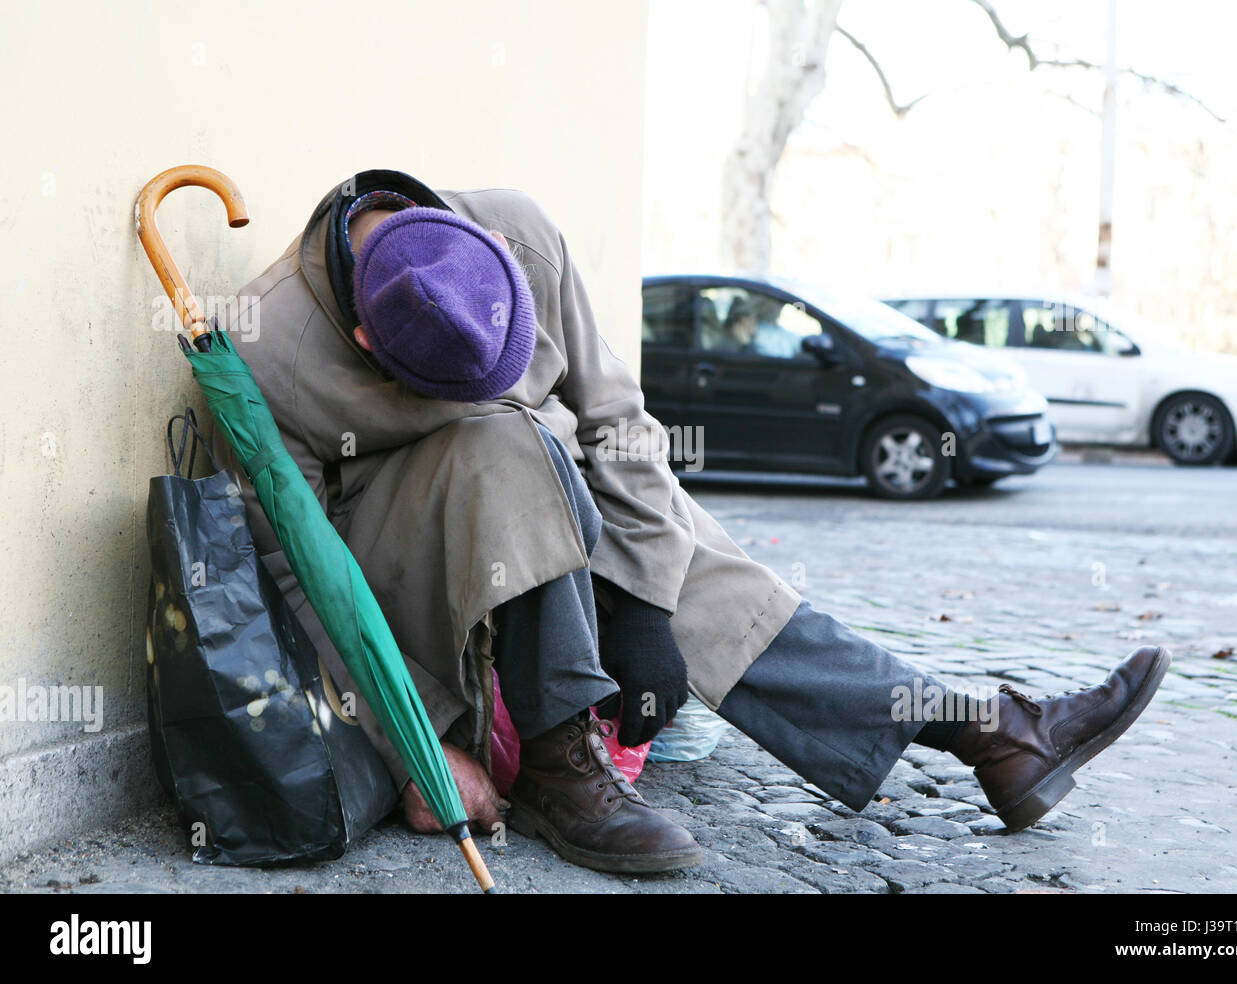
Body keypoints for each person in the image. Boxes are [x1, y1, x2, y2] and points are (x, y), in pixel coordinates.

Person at [215, 169, 1170, 875]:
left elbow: (619, 429)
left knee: (705, 576)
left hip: (553, 510)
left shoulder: (517, 236)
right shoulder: (267, 354)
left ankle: (989, 731)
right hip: (417, 585)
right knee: (507, 444)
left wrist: (641, 596)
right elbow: (304, 583)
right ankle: (559, 768)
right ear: (370, 342)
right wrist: (419, 745)